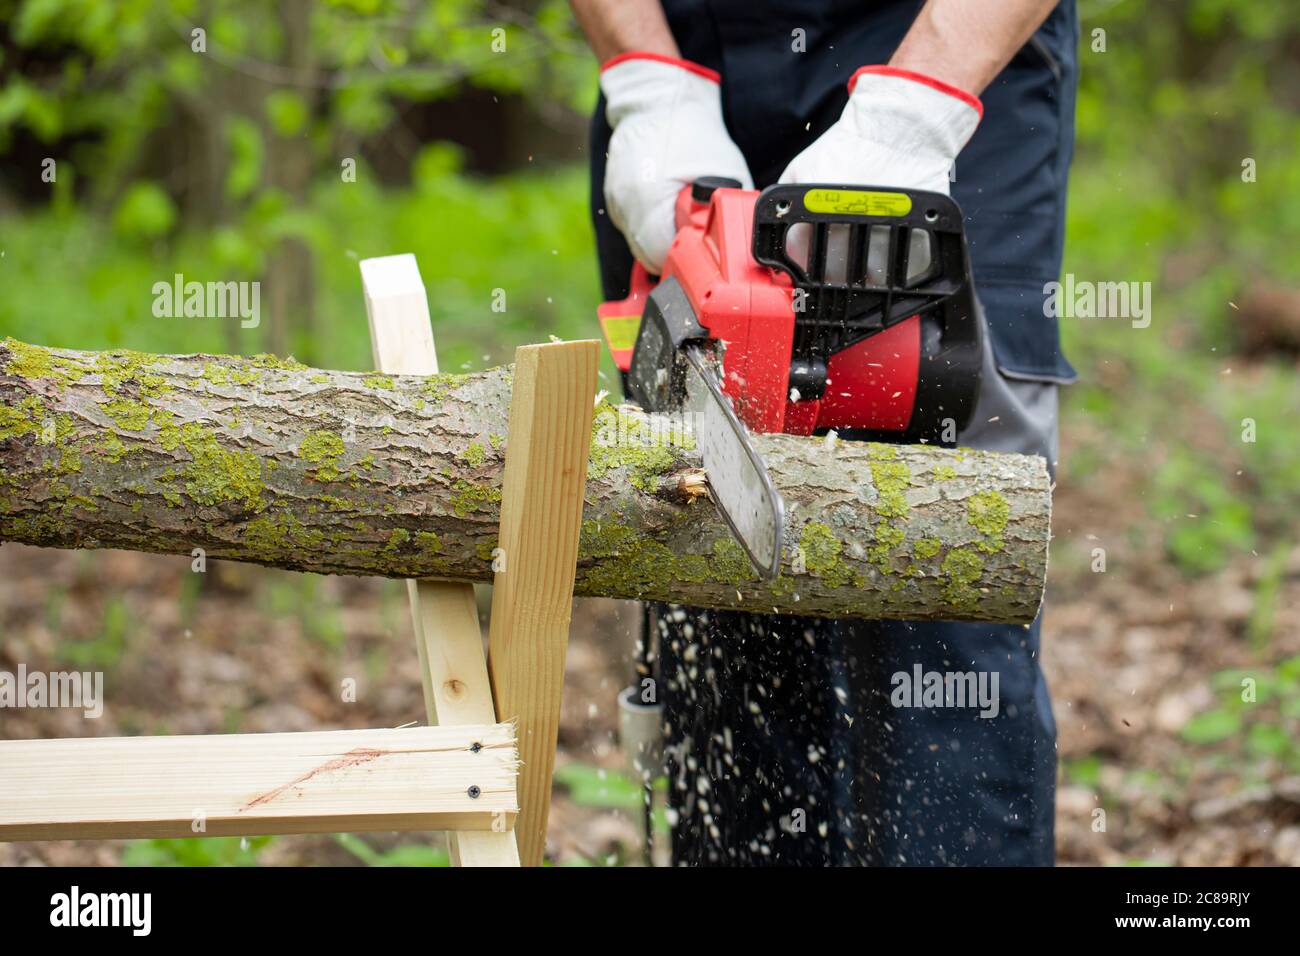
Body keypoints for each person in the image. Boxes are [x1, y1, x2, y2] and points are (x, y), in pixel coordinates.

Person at [572, 0, 1078, 865]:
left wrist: (918, 110)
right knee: (717, 587)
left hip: (958, 65)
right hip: (693, 78)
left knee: (940, 590)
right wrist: (645, 76)